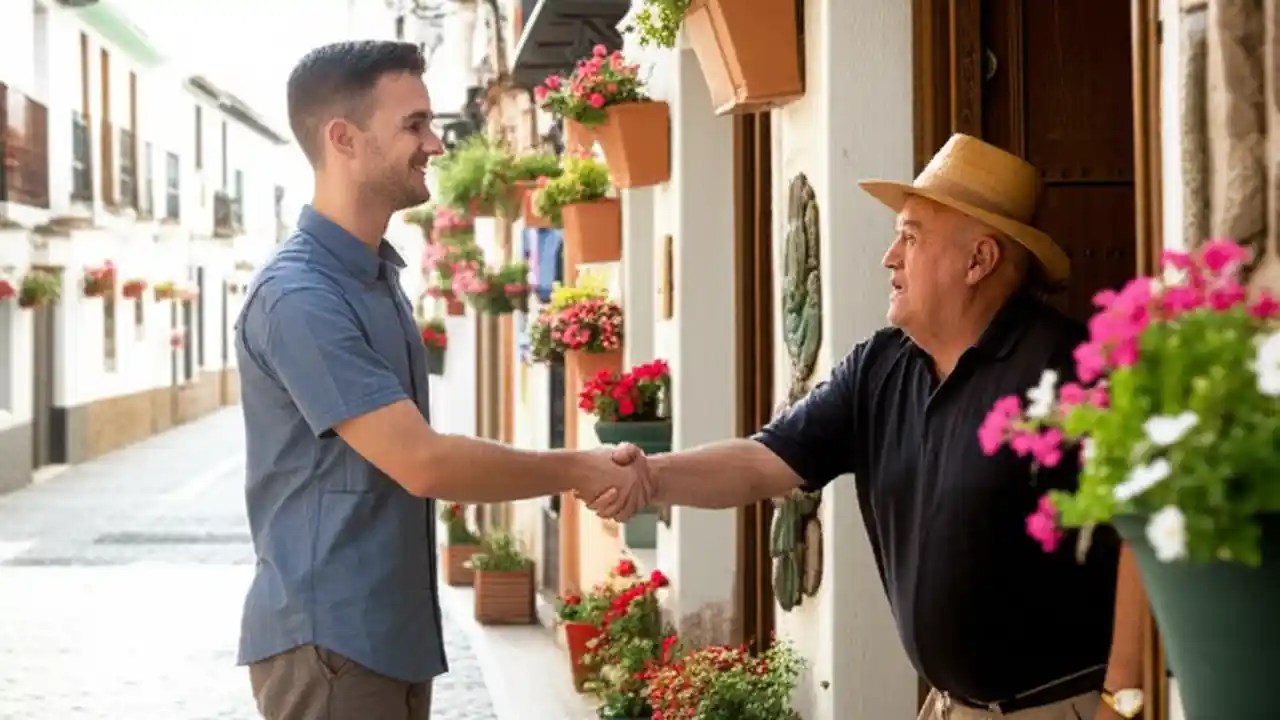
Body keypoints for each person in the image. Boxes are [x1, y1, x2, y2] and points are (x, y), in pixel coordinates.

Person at [600, 135, 1145, 720]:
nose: (889, 257)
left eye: (910, 237)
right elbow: (765, 460)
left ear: (978, 260)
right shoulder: (881, 366)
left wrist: (1122, 698)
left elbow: (1142, 529)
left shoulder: (1066, 369)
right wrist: (651, 477)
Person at [233, 41, 647, 720]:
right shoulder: (299, 298)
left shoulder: (372, 276)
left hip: (381, 639)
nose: (434, 143)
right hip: (333, 645)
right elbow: (422, 462)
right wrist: (577, 466)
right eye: (413, 125)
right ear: (343, 138)